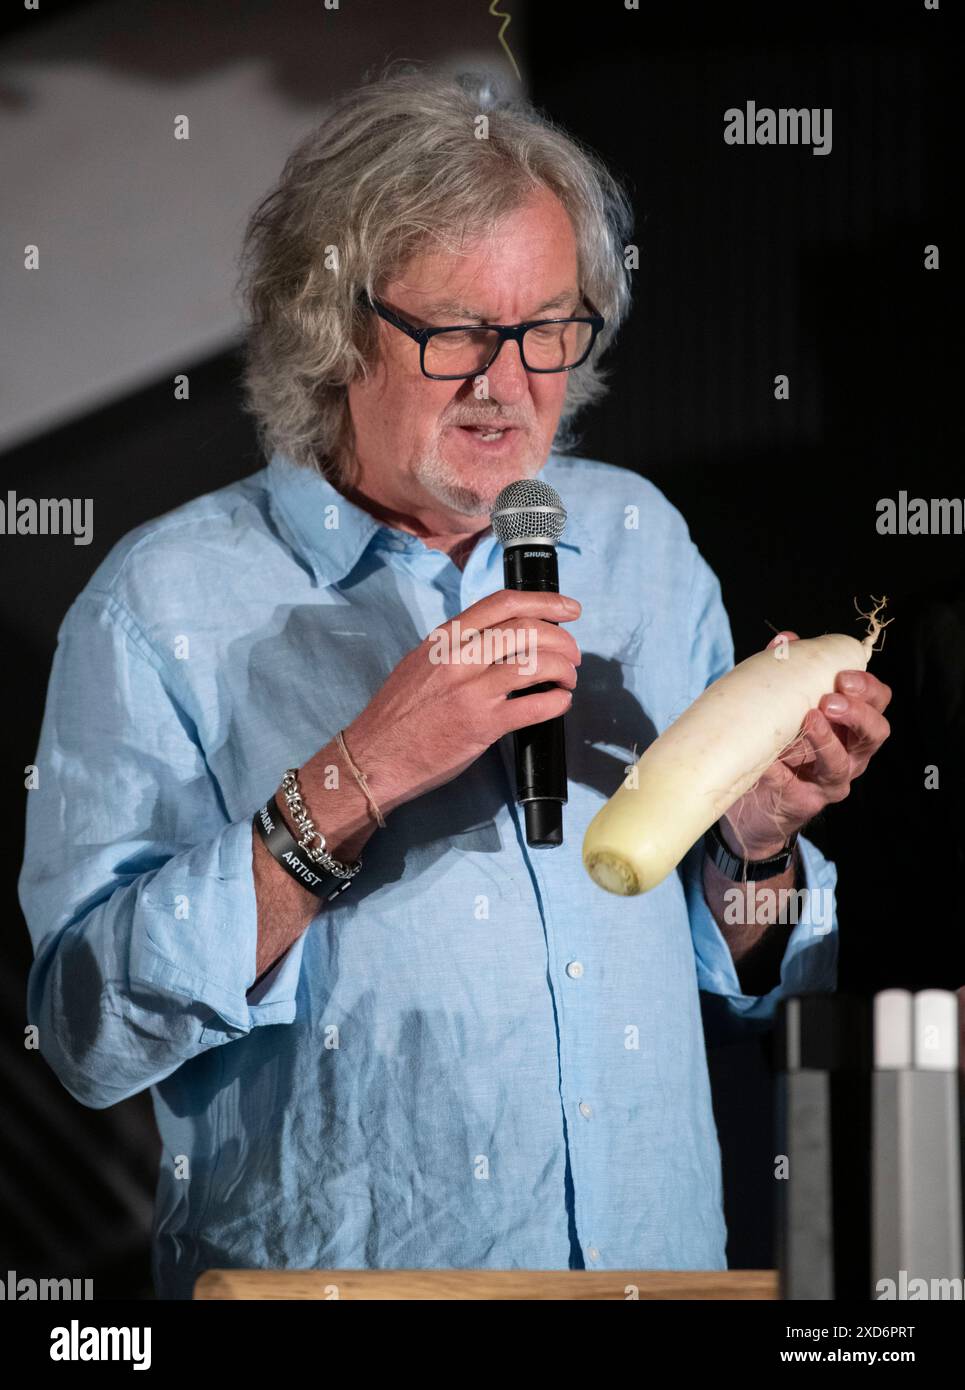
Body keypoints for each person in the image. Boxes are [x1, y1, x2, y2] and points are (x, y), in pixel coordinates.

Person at [19, 66, 891, 1299]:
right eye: (456, 332)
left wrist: (755, 849)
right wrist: (358, 775)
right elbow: (88, 1033)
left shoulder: (639, 542)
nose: (507, 382)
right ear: (332, 327)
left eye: (547, 327)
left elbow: (765, 982)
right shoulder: (159, 603)